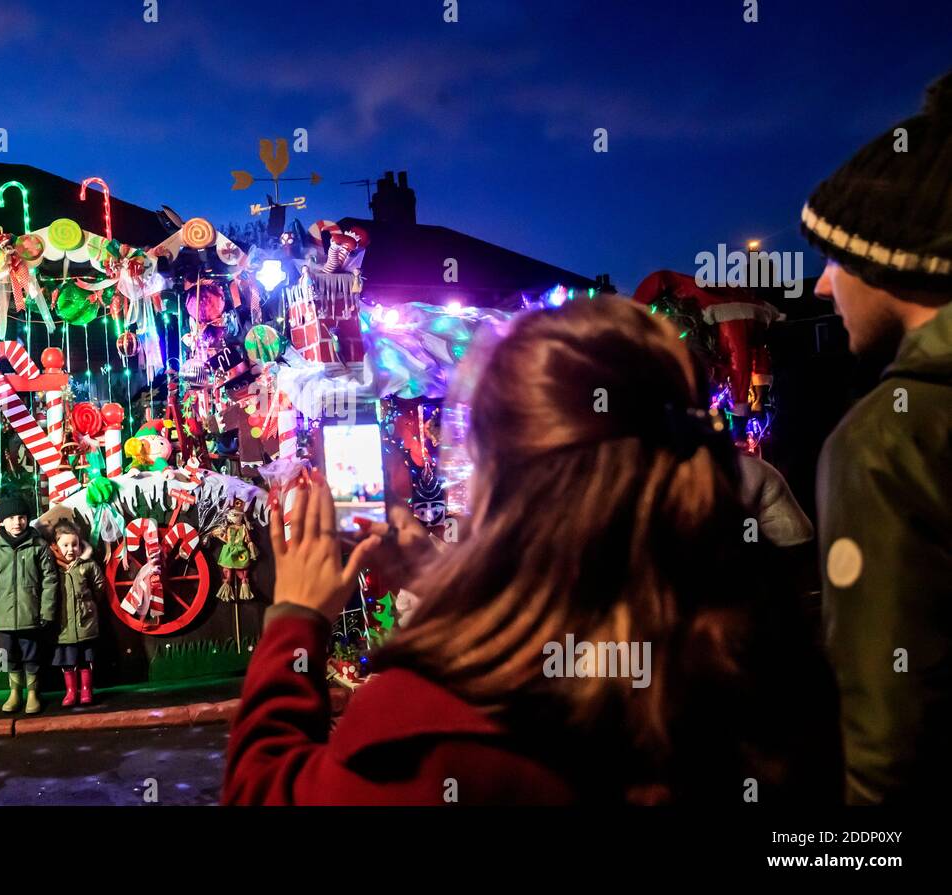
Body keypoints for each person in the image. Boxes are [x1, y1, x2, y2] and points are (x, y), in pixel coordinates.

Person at [223, 297, 838, 805]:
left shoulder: (442, 724)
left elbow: (264, 792)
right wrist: (445, 585)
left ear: (500, 477)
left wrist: (296, 621)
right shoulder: (768, 664)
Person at [803, 70, 952, 804]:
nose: (823, 288)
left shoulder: (884, 442)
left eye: (836, 259)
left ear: (895, 261)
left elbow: (888, 748)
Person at [0, 492, 58, 715]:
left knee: (31, 653)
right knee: (7, 654)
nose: (17, 522)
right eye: (11, 518)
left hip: (30, 614)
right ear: (2, 520)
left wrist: (47, 610)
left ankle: (33, 693)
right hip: (3, 616)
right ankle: (14, 691)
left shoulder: (38, 546)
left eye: (21, 517)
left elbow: (50, 580)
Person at [49, 520, 106, 707]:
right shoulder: (54, 569)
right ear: (56, 546)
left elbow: (99, 585)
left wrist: (90, 605)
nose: (70, 549)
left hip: (85, 623)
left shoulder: (87, 565)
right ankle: (71, 691)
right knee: (67, 661)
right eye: (65, 545)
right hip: (63, 626)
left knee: (86, 660)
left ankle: (86, 690)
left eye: (74, 544)